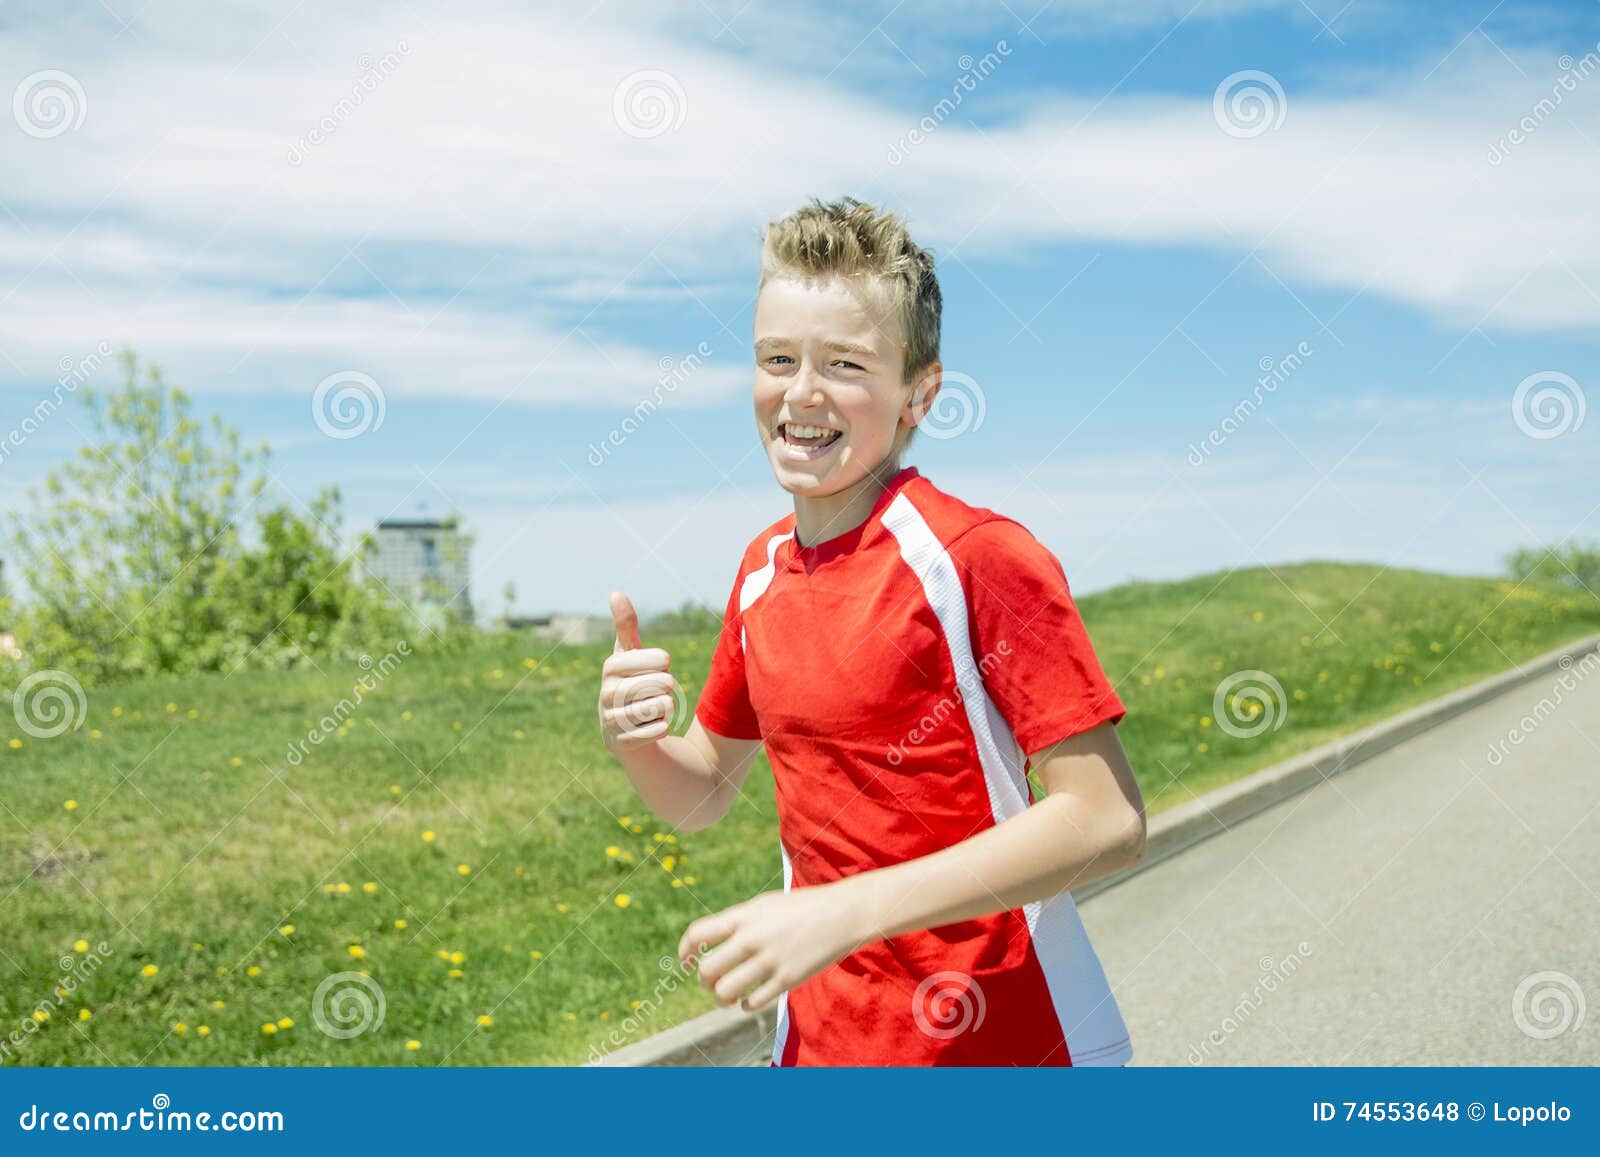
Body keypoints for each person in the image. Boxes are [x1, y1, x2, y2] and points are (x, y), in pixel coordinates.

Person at [597, 196, 1145, 1067]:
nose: (802, 392)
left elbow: (1107, 817)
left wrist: (843, 909)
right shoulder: (760, 571)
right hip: (820, 1049)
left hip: (1012, 1043)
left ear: (918, 393)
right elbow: (701, 793)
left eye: (846, 363)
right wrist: (635, 740)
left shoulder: (979, 557)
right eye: (778, 358)